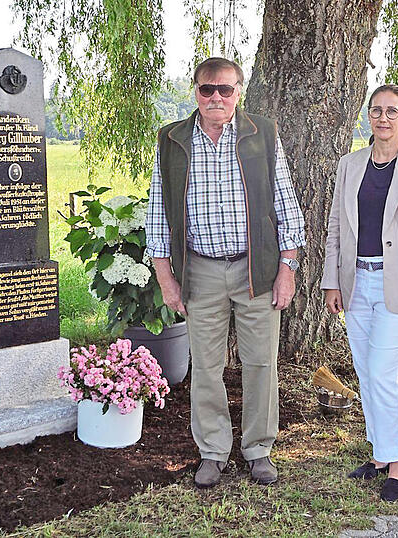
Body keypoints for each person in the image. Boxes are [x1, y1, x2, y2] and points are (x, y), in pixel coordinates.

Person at [145, 57, 306, 489]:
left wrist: (287, 269)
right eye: (206, 89)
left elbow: (286, 204)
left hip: (256, 269)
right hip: (200, 271)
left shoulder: (263, 134)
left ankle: (258, 450)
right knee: (207, 366)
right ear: (194, 90)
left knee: (260, 363)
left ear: (240, 91)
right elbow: (158, 212)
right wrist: (166, 277)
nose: (216, 97)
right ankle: (213, 451)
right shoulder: (171, 140)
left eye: (225, 90)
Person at [321, 84, 398, 502]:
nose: (383, 118)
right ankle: (378, 454)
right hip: (356, 281)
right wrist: (331, 280)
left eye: (392, 111)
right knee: (364, 369)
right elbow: (336, 227)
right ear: (367, 117)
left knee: (382, 371)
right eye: (376, 111)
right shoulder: (350, 165)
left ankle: (397, 463)